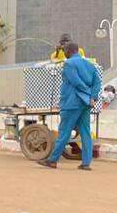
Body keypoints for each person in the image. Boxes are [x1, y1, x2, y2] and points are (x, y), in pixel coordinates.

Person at [40, 41, 101, 170]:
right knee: (85, 132)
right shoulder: (91, 65)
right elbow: (97, 83)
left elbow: (75, 81)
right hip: (85, 103)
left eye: (65, 51)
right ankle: (86, 163)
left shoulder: (68, 63)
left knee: (64, 132)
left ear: (68, 51)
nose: (64, 53)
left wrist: (86, 92)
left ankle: (52, 160)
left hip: (71, 102)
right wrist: (92, 97)